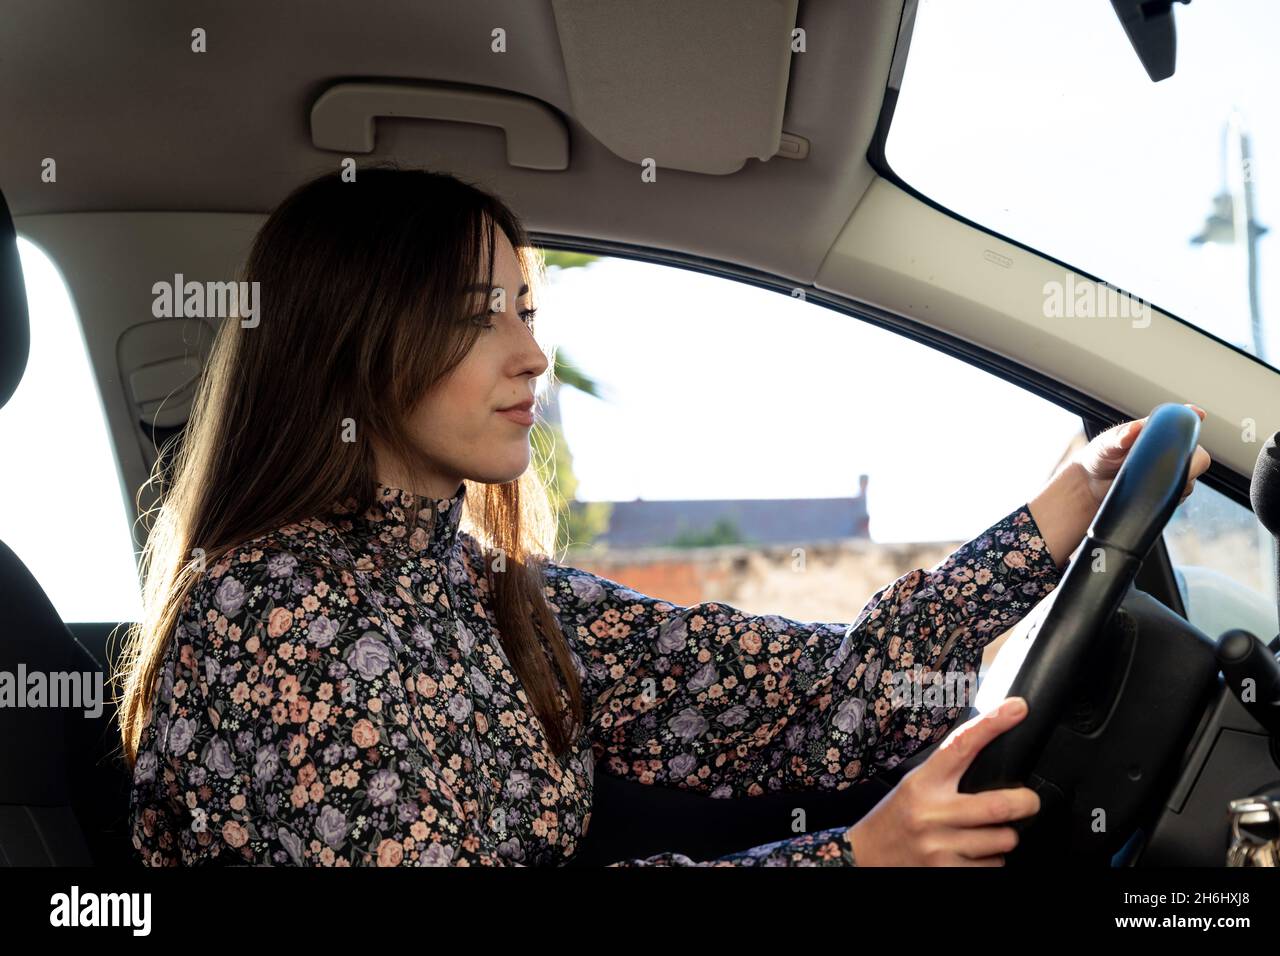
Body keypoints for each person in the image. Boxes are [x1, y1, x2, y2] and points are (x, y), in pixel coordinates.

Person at [117, 164, 1211, 866]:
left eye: (527, 309)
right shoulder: (270, 616)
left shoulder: (493, 595)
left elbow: (820, 698)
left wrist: (1068, 505)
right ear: (351, 344)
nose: (531, 354)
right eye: (473, 317)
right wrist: (850, 861)